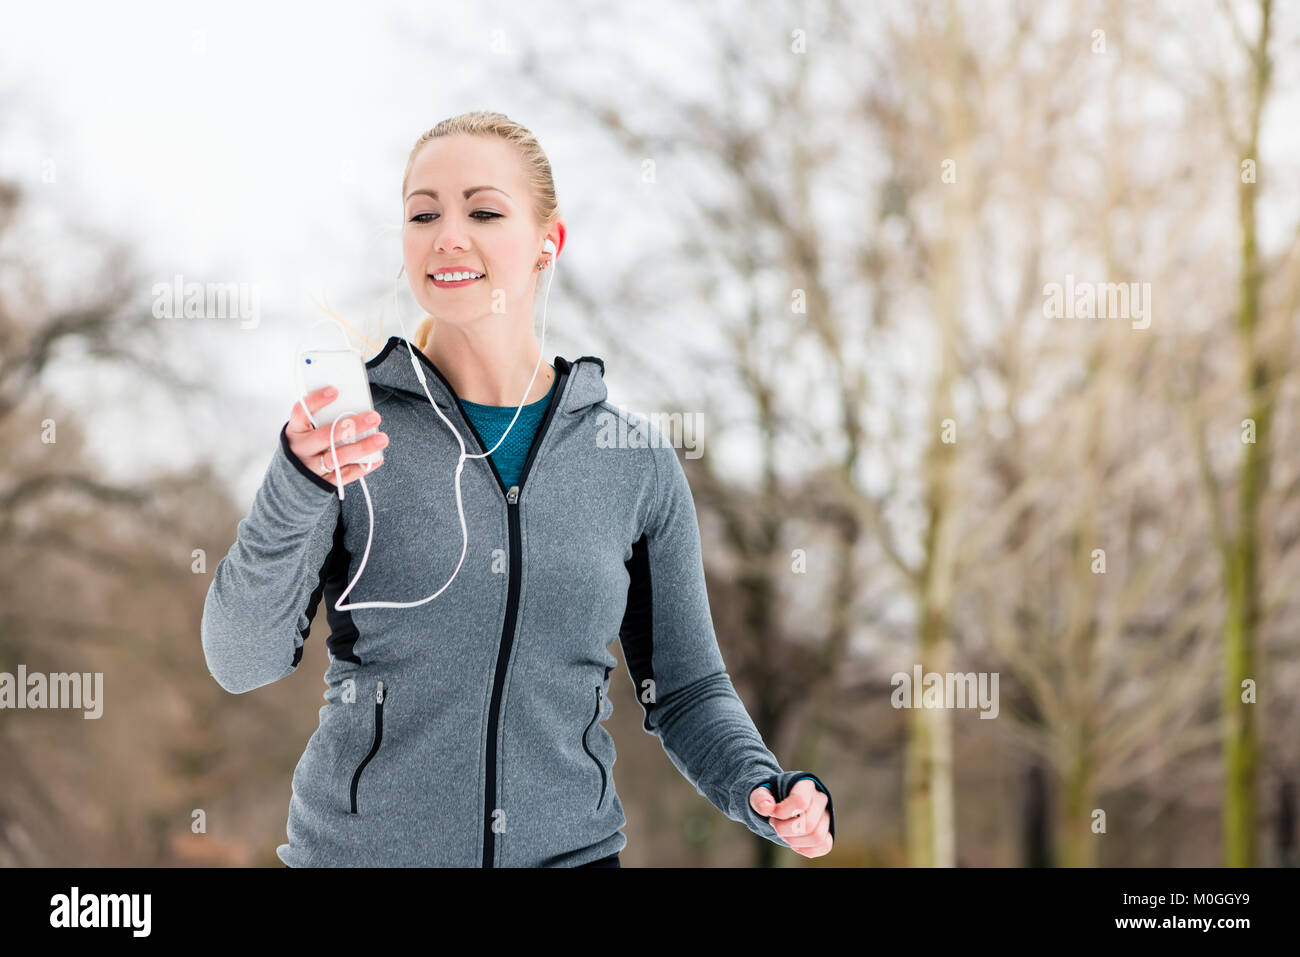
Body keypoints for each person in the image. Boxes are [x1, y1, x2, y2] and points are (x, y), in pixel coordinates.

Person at [200, 111, 834, 867]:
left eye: (484, 210)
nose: (448, 234)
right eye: (423, 213)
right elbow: (239, 659)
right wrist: (296, 482)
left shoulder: (628, 459)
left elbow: (688, 689)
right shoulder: (348, 435)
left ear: (548, 243)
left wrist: (764, 787)